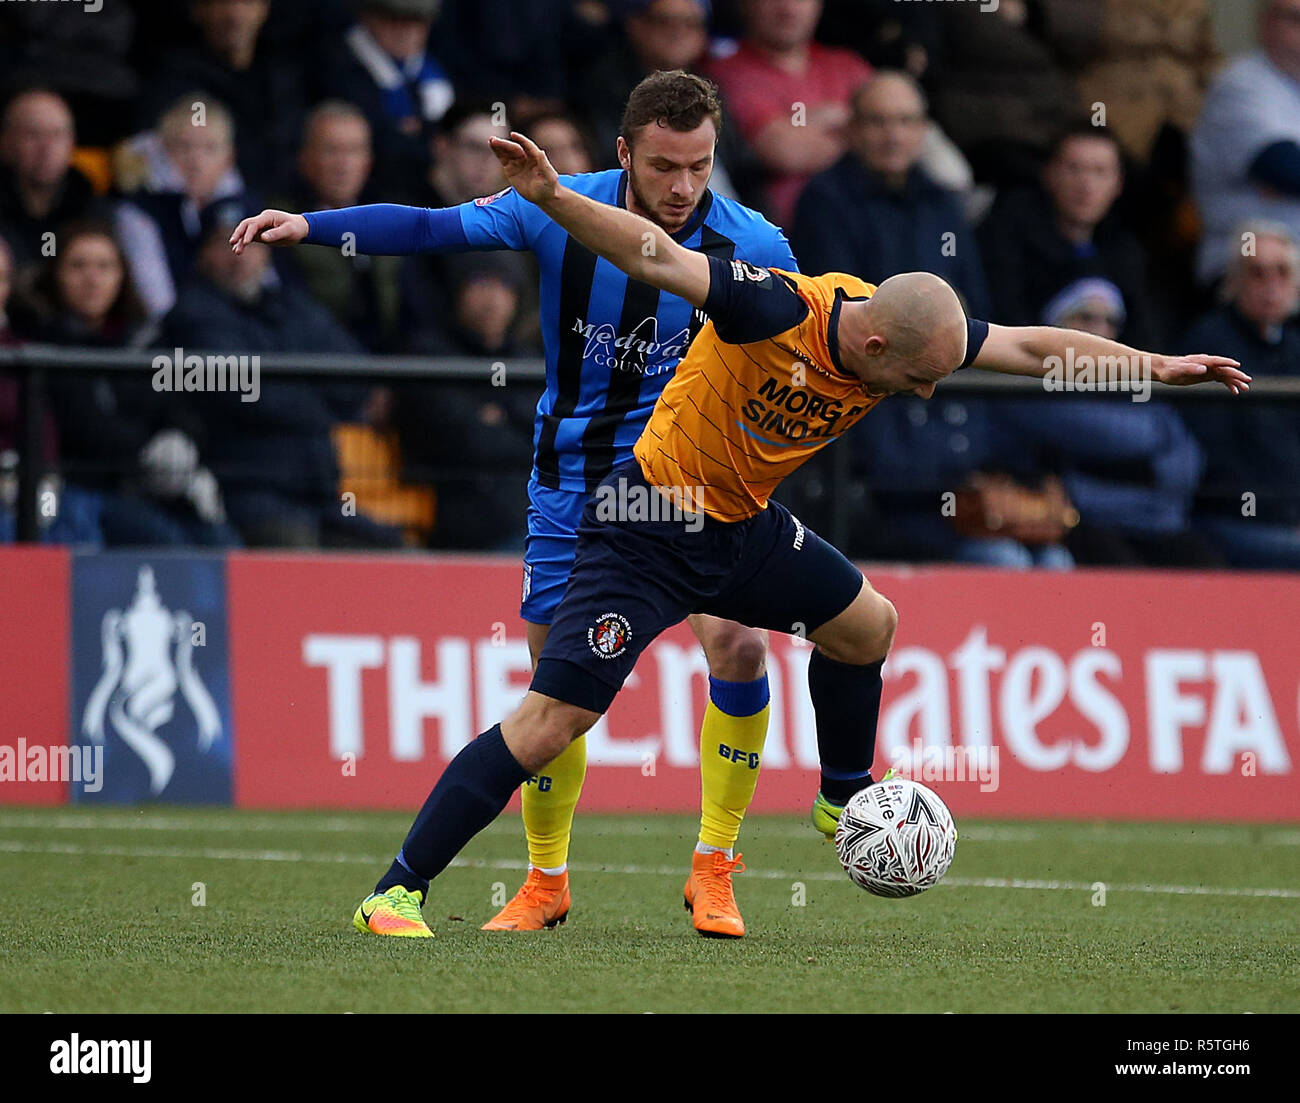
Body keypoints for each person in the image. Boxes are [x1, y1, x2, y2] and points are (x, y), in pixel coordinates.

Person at [323, 128, 1246, 939]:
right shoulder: (771, 306)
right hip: (641, 526)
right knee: (552, 718)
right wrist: (556, 197)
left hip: (739, 528)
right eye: (919, 380)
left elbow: (1039, 349)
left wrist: (1159, 366)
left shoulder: (910, 327)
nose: (928, 394)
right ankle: (396, 891)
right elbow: (654, 258)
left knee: (867, 625)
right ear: (876, 348)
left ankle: (841, 795)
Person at [230, 71, 799, 938]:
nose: (684, 187)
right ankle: (545, 881)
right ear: (623, 154)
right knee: (555, 693)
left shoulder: (757, 242)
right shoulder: (553, 206)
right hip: (574, 488)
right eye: (664, 166)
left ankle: (715, 869)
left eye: (700, 165)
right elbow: (427, 227)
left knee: (741, 649)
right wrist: (311, 225)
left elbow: (801, 349)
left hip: (689, 488)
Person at [792, 72, 990, 316]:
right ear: (852, 129)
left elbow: (974, 298)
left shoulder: (942, 201)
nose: (893, 137)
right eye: (877, 122)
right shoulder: (823, 201)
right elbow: (834, 305)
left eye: (905, 121)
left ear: (923, 129)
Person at [1182, 224, 1300, 567]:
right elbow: (1213, 459)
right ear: (1233, 281)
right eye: (1257, 273)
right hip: (1230, 521)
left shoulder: (1294, 347)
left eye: (1281, 272)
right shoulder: (1209, 347)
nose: (1270, 286)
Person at [979, 125, 1158, 350]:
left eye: (1099, 172)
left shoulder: (1126, 251)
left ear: (1118, 184)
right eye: (1074, 169)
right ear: (1049, 173)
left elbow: (1144, 340)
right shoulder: (1006, 234)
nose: (1086, 185)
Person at [1191, 0, 1300, 286]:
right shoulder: (1242, 84)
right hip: (1245, 274)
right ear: (1267, 24)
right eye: (1295, 19)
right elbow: (1286, 168)